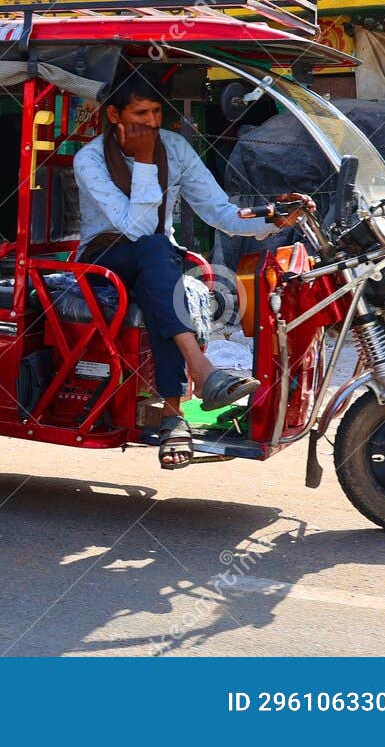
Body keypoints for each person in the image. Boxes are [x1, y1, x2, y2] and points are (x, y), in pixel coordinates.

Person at [72, 67, 309, 470]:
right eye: (140, 114)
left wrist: (273, 219)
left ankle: (175, 412)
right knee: (155, 251)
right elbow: (135, 228)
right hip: (103, 260)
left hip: (155, 262)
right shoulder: (90, 160)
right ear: (114, 115)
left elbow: (220, 212)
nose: (151, 123)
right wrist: (144, 161)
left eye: (155, 113)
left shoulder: (176, 149)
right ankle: (196, 379)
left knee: (158, 277)